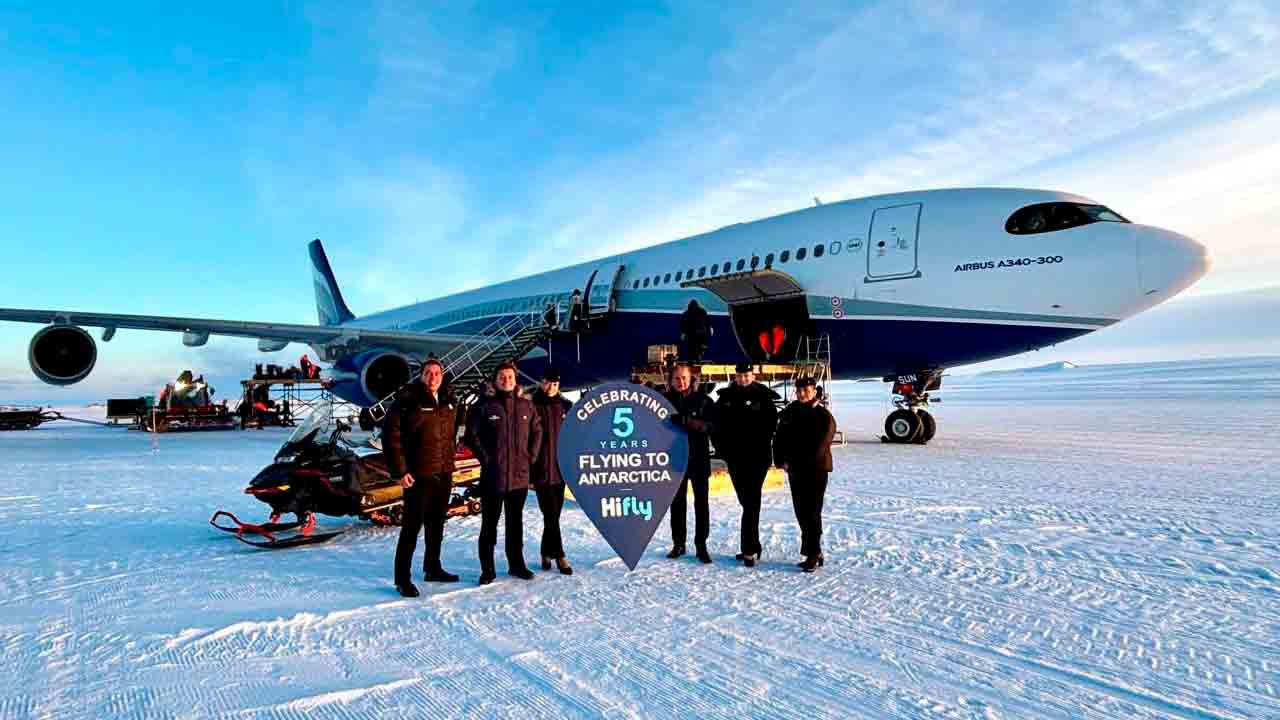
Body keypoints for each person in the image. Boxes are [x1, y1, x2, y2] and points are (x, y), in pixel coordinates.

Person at [383, 358, 462, 597]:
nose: (433, 377)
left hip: (443, 473)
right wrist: (399, 472)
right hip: (418, 475)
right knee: (411, 528)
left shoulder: (449, 400)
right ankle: (402, 578)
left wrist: (450, 463)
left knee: (436, 524)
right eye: (428, 373)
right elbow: (391, 438)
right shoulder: (407, 401)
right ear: (421, 375)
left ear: (443, 375)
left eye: (437, 373)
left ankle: (433, 567)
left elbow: (452, 435)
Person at [465, 361, 543, 585]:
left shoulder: (526, 407)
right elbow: (471, 435)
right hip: (493, 477)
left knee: (515, 523)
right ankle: (487, 569)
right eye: (502, 377)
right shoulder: (484, 406)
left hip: (519, 477)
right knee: (489, 524)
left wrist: (531, 457)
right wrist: (486, 459)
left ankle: (516, 564)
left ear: (515, 380)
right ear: (495, 380)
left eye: (509, 376)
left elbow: (537, 431)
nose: (506, 380)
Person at [713, 362, 779, 567]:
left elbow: (771, 425)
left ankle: (749, 550)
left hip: (757, 457)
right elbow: (715, 425)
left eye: (747, 375)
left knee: (751, 502)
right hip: (735, 458)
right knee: (748, 502)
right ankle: (754, 545)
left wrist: (757, 442)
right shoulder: (725, 398)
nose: (744, 379)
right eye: (740, 376)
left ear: (753, 375)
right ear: (735, 376)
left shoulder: (764, 397)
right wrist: (722, 449)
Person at [773, 376, 837, 572]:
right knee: (801, 511)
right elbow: (779, 436)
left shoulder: (823, 415)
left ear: (815, 391)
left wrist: (798, 463)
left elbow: (821, 445)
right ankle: (813, 551)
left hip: (815, 469)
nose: (802, 394)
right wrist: (781, 460)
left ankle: (813, 553)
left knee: (812, 511)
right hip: (795, 469)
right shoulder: (790, 411)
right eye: (799, 390)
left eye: (806, 390)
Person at [665, 363, 717, 563]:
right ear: (671, 380)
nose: (681, 382)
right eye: (677, 378)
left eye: (684, 378)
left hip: (698, 459)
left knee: (701, 503)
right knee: (677, 503)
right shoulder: (663, 401)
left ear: (691, 378)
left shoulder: (703, 400)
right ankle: (678, 543)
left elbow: (712, 426)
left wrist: (688, 421)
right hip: (674, 461)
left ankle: (701, 545)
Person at [530, 367, 573, 575]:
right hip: (540, 470)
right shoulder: (531, 406)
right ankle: (560, 556)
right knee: (550, 514)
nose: (551, 387)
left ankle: (545, 551)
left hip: (560, 469)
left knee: (553, 515)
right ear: (541, 382)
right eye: (548, 383)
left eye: (555, 384)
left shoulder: (566, 405)